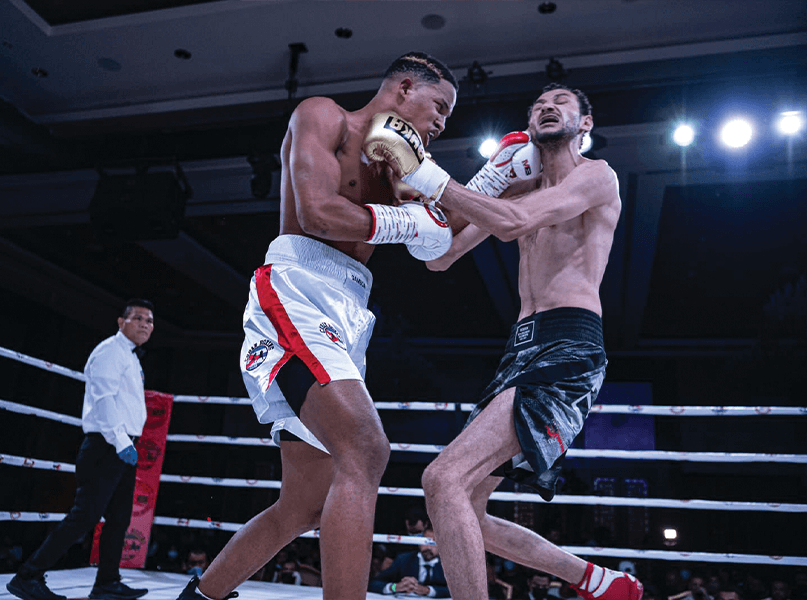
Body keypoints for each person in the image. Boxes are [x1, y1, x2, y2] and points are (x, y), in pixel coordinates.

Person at [174, 51, 459, 600]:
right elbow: (317, 213)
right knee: (367, 449)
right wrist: (411, 220)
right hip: (299, 287)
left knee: (304, 503)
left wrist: (493, 185)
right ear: (404, 88)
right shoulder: (325, 115)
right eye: (440, 105)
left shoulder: (404, 163)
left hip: (352, 309)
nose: (444, 122)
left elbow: (442, 245)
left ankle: (202, 595)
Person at [364, 83, 641, 600]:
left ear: (584, 123)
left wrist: (428, 173)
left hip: (567, 347)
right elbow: (439, 257)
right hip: (520, 349)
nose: (546, 107)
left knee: (442, 480)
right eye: (538, 104)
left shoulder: (596, 176)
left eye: (560, 102)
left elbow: (515, 225)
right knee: (464, 506)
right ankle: (599, 582)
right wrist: (461, 192)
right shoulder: (517, 188)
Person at [7, 299, 154, 600]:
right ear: (120, 322)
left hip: (124, 444)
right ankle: (27, 575)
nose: (144, 324)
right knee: (84, 516)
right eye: (138, 318)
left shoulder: (131, 357)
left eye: (149, 321)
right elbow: (104, 400)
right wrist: (121, 441)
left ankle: (107, 582)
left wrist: (127, 443)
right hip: (107, 444)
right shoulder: (109, 352)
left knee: (119, 518)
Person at [369, 526, 450, 598]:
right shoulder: (404, 560)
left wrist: (428, 591)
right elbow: (374, 583)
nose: (428, 547)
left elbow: (456, 589)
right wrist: (395, 587)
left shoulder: (447, 565)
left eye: (432, 543)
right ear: (418, 542)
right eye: (424, 542)